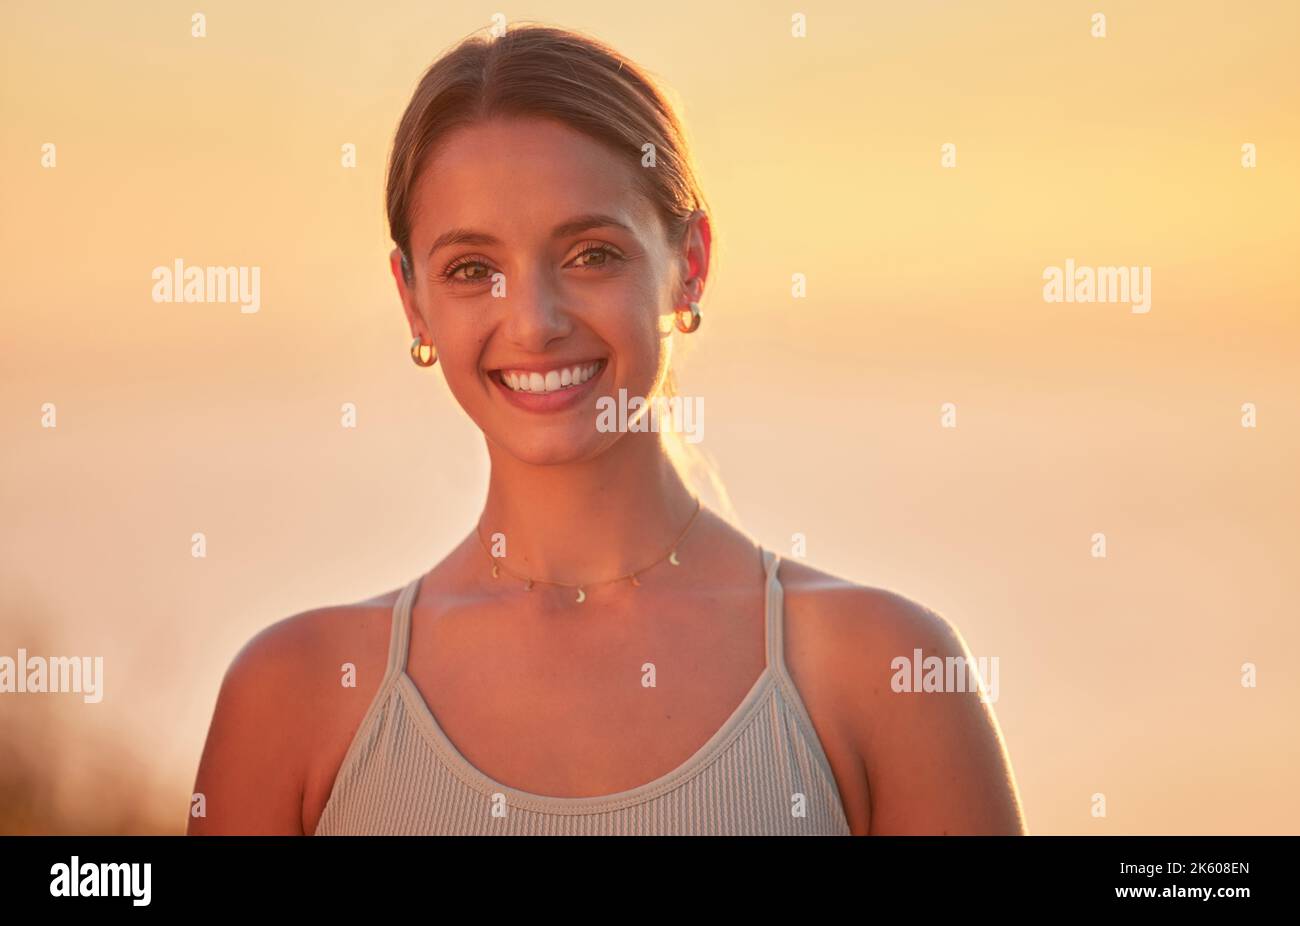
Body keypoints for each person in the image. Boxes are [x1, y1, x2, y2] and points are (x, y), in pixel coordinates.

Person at [188, 23, 1026, 836]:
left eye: (591, 254)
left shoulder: (887, 675)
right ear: (414, 301)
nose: (535, 322)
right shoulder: (295, 697)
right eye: (472, 270)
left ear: (689, 263)